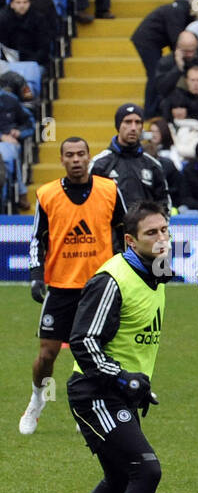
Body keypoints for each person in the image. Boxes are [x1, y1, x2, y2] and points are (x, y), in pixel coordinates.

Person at [59, 201, 172, 493]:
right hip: (95, 394)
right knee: (146, 469)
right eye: (151, 234)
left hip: (119, 394)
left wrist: (135, 383)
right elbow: (83, 342)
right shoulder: (112, 279)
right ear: (129, 240)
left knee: (118, 476)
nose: (161, 240)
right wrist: (123, 378)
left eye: (164, 231)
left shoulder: (156, 273)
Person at [19, 138, 126, 435]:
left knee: (95, 352)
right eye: (70, 155)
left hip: (98, 286)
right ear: (62, 159)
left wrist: (126, 271)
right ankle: (37, 400)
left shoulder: (109, 190)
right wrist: (36, 274)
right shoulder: (47, 194)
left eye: (81, 154)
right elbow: (37, 239)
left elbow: (125, 231)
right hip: (61, 286)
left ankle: (90, 406)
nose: (76, 159)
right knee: (47, 354)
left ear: (89, 157)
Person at [91, 104, 172, 210]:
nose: (133, 128)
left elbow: (164, 201)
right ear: (118, 125)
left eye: (138, 122)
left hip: (145, 226)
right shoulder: (100, 164)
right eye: (128, 122)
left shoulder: (153, 164)